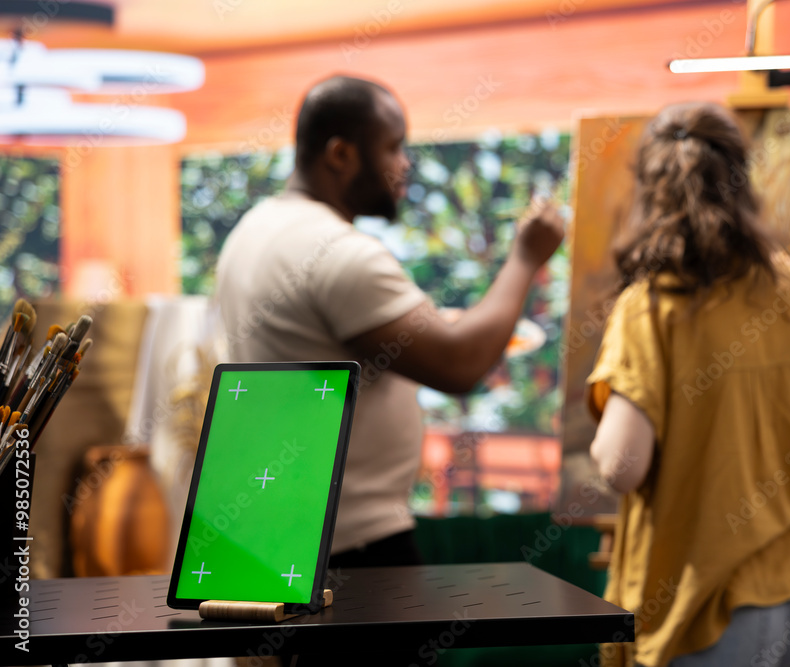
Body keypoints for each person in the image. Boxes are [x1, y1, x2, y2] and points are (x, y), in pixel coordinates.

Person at [586, 102, 790, 667]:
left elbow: (622, 465)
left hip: (705, 613)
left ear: (649, 190)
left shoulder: (650, 309)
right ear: (743, 184)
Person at [216, 75, 563, 568]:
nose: (405, 164)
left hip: (281, 536)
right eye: (394, 147)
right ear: (341, 154)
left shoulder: (255, 230)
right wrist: (526, 257)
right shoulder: (338, 253)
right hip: (352, 544)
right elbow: (459, 363)